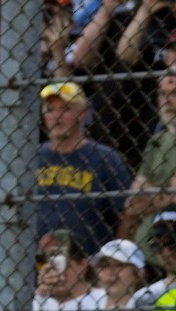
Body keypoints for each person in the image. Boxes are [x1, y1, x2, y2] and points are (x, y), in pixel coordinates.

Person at [36, 81, 132, 254]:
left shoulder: (104, 158)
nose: (56, 117)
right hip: (34, 259)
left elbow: (126, 214)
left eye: (65, 109)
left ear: (82, 113)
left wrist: (113, 255)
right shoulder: (32, 158)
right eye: (50, 110)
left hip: (89, 258)